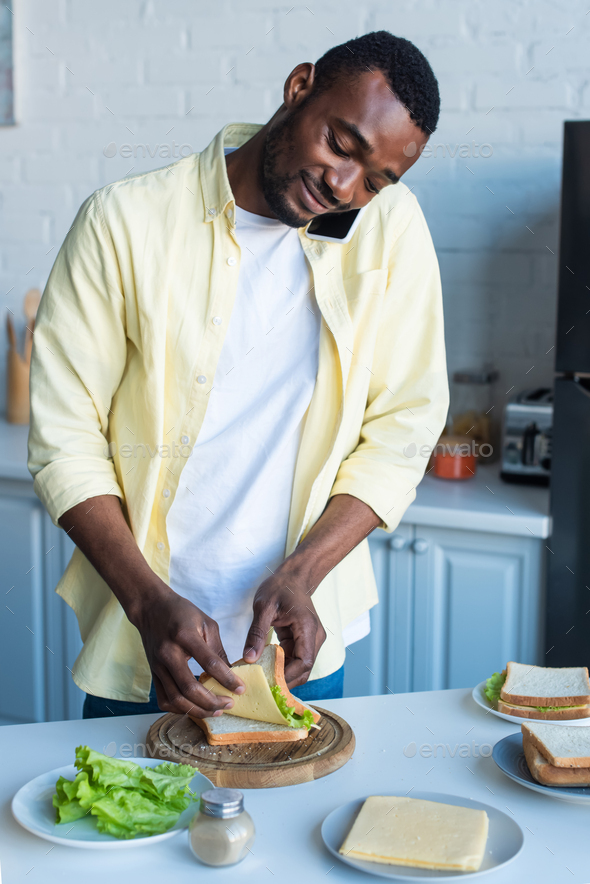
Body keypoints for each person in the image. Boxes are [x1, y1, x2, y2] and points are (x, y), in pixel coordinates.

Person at [27, 30, 449, 720]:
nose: (345, 187)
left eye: (376, 179)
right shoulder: (125, 222)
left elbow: (406, 423)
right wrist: (144, 601)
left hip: (301, 648)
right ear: (299, 86)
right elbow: (65, 440)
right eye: (341, 145)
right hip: (148, 645)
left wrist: (304, 574)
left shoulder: (392, 228)